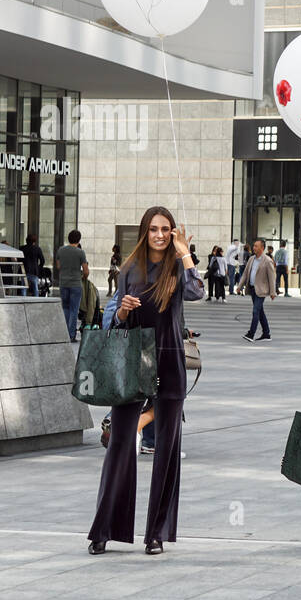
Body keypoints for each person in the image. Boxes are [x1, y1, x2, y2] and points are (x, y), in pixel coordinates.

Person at [91, 206, 204, 556]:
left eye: (166, 229)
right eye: (154, 229)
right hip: (133, 360)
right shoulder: (130, 269)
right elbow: (115, 322)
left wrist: (185, 254)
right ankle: (104, 530)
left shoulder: (176, 266)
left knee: (167, 449)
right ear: (145, 231)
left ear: (172, 232)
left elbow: (198, 292)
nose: (160, 234)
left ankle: (155, 533)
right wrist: (123, 310)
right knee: (121, 445)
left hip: (170, 359)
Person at [236, 238, 277, 341]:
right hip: (252, 289)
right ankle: (266, 334)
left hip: (262, 290)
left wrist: (273, 292)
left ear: (262, 248)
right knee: (260, 311)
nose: (254, 248)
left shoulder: (267, 260)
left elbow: (272, 277)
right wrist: (239, 286)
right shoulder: (251, 259)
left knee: (255, 311)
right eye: (253, 246)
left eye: (256, 246)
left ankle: (251, 334)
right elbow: (245, 274)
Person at [55, 230, 89, 341]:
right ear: (79, 240)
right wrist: (83, 277)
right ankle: (71, 335)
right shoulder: (80, 252)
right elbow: (85, 270)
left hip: (63, 283)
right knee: (74, 310)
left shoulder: (61, 250)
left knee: (65, 308)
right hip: (75, 283)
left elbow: (58, 266)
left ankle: (64, 334)